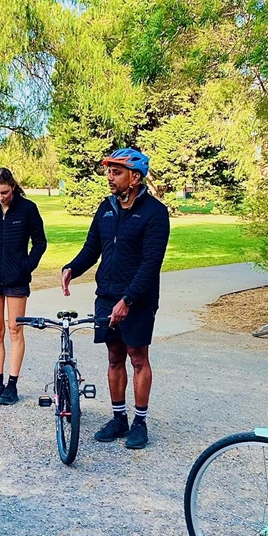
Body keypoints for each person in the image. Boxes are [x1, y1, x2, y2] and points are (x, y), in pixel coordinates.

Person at [61, 148, 169, 450]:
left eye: (116, 172)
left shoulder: (155, 213)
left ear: (135, 177)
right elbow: (92, 247)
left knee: (137, 357)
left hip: (138, 299)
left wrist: (128, 300)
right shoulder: (105, 208)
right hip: (106, 296)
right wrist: (72, 268)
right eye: (108, 171)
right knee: (114, 356)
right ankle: (119, 418)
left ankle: (140, 422)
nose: (110, 177)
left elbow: (151, 263)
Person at [0, 167, 47, 405]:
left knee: (15, 330)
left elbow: (40, 243)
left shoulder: (28, 209)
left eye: (4, 192)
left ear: (13, 187)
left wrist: (26, 267)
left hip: (17, 279)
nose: (0, 197)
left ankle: (12, 385)